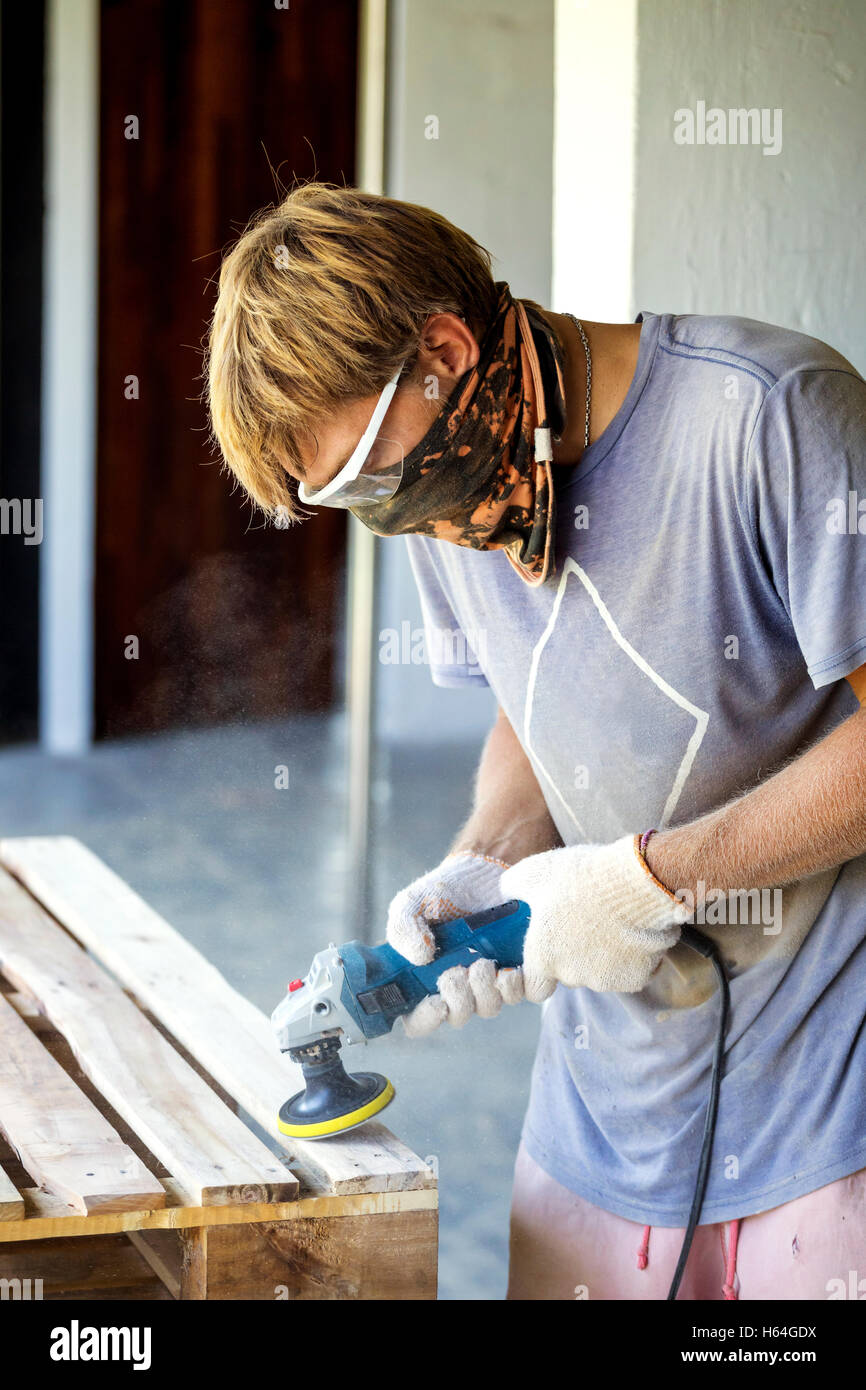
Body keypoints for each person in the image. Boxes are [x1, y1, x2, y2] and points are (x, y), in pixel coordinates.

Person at [206, 181, 866, 1300]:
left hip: (828, 1106)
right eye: (345, 497)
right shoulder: (452, 485)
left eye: (372, 473)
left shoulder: (772, 414)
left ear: (445, 352)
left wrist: (650, 882)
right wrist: (487, 856)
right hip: (601, 1114)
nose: (385, 511)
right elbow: (534, 698)